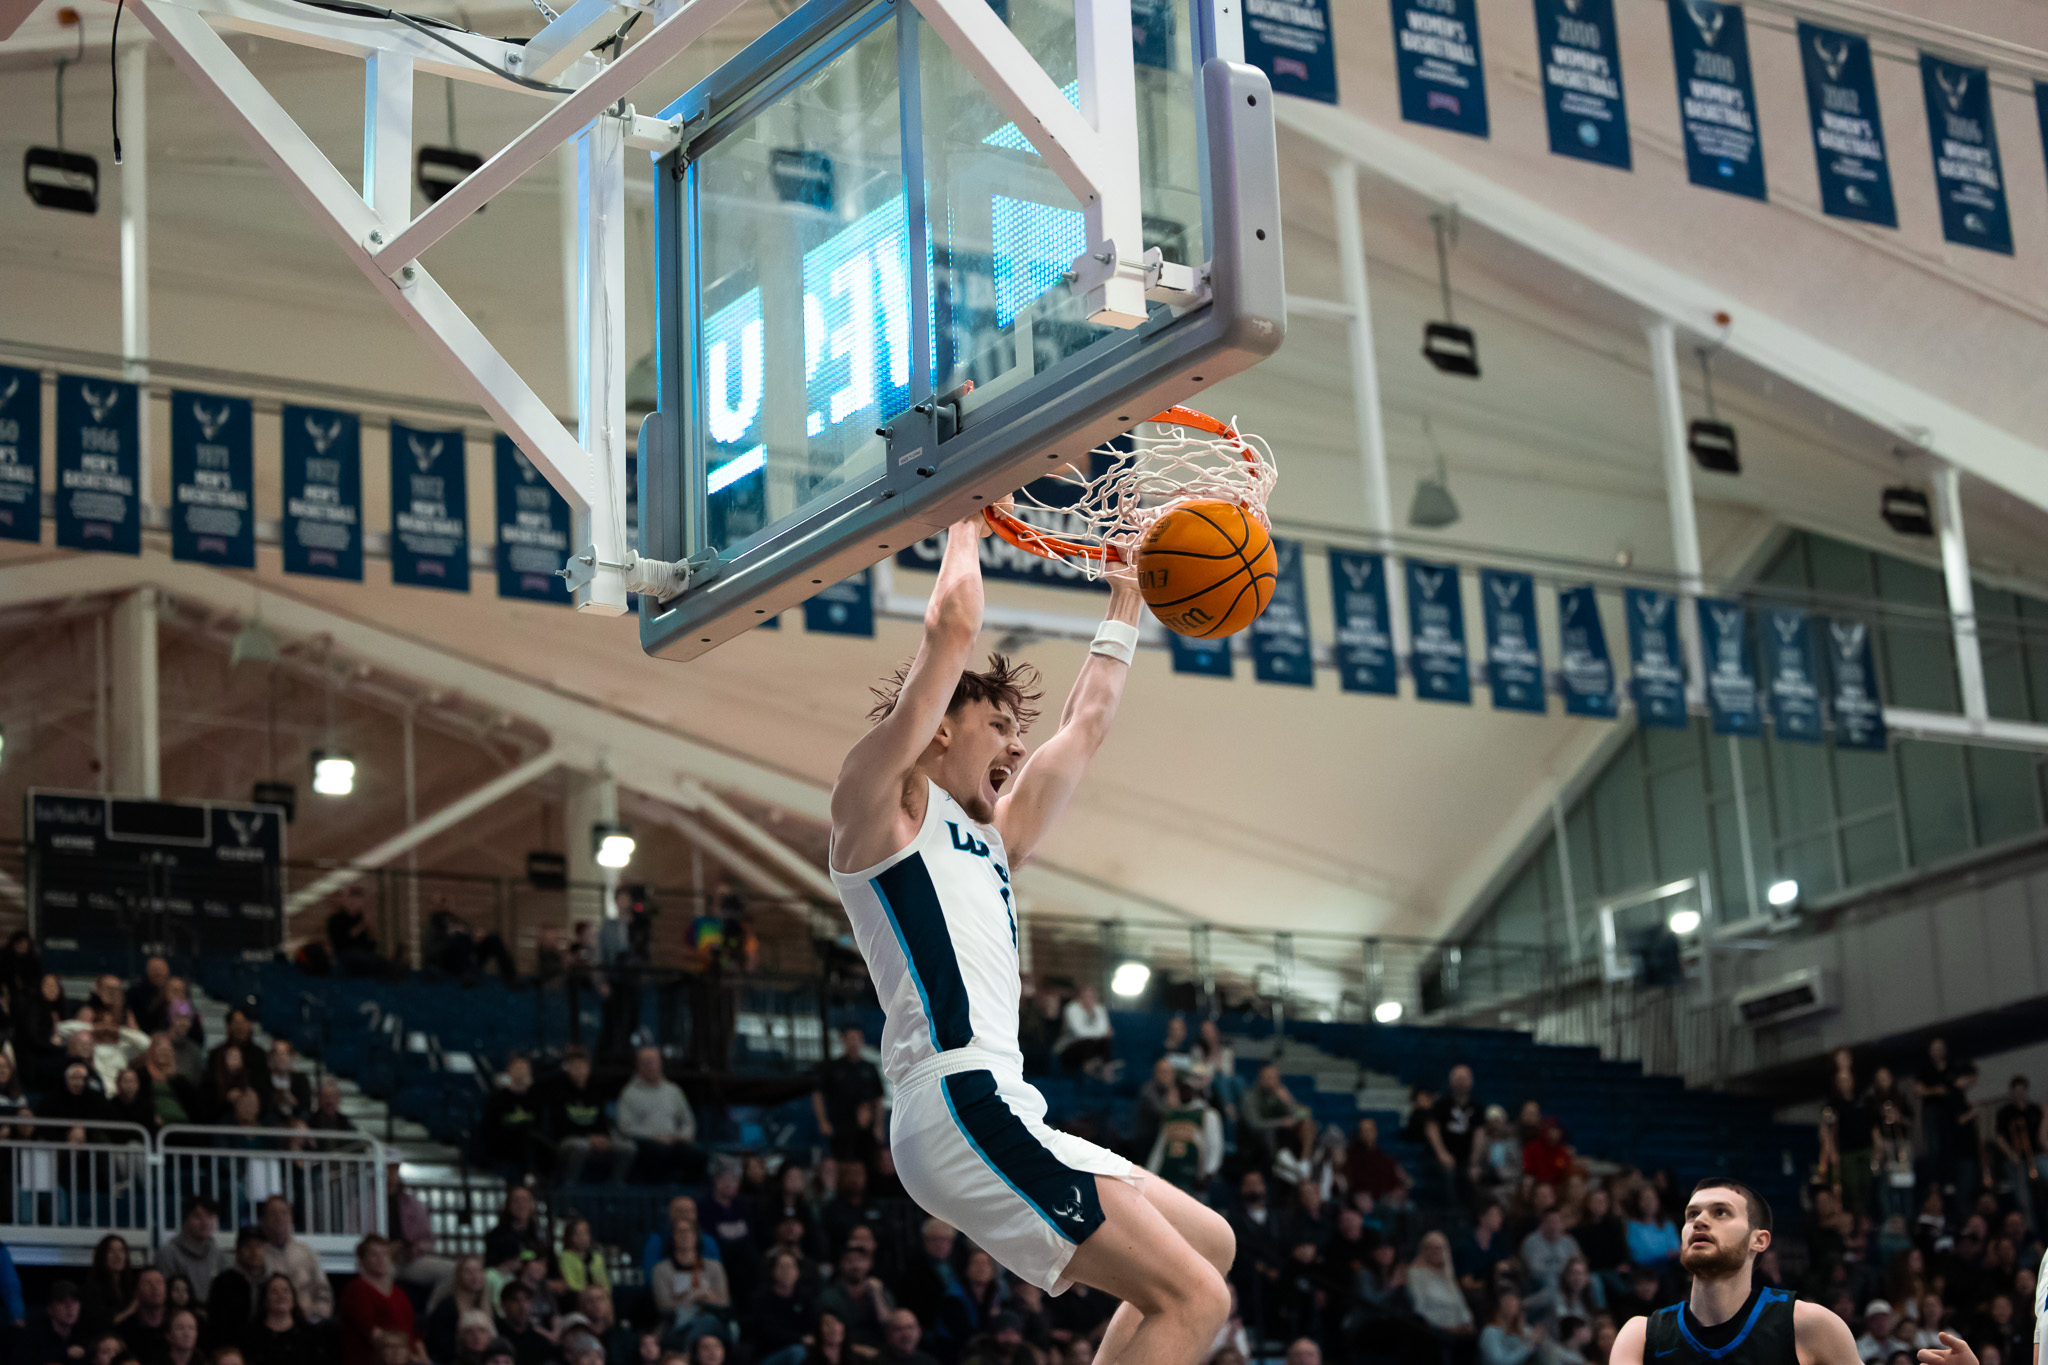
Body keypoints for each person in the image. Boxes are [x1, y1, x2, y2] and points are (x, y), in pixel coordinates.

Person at [828, 526, 1234, 1361]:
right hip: (955, 1100)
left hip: (1002, 1099)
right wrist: (967, 510)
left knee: (1211, 1247)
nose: (1018, 743)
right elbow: (950, 628)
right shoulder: (882, 809)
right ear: (941, 727)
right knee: (1197, 1298)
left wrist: (1126, 597)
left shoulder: (996, 838)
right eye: (1000, 723)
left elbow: (1086, 726)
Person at [1608, 1180, 1863, 1365]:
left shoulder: (1809, 1325)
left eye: (1721, 1212)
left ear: (1759, 1240)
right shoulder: (1640, 1337)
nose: (1699, 1221)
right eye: (1691, 1214)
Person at [550, 1048, 636, 1186]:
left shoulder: (595, 1091)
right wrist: (589, 1138)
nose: (580, 1070)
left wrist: (604, 1137)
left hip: (596, 1139)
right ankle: (569, 1184)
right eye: (575, 1067)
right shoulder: (559, 1092)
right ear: (568, 1069)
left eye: (582, 1067)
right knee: (580, 1146)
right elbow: (560, 1126)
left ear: (588, 1069)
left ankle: (615, 1185)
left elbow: (601, 1120)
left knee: (628, 1148)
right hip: (569, 1140)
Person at [616, 1048, 701, 1183]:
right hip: (646, 1144)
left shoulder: (674, 1090)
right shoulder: (629, 1092)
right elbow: (625, 1127)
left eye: (654, 1062)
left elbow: (687, 1121)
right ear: (639, 1066)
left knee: (698, 1154)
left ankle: (687, 1199)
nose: (652, 1066)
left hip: (674, 1141)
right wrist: (654, 1137)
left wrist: (681, 1137)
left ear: (660, 1064)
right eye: (647, 1063)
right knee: (657, 1152)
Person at [338, 1237, 417, 1365]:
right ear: (363, 1260)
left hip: (406, 1357)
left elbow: (413, 1331)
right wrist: (405, 1355)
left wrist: (422, 1357)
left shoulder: (399, 1293)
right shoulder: (356, 1290)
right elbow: (371, 1331)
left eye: (384, 1254)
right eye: (374, 1254)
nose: (381, 1259)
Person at [814, 1030, 886, 1164]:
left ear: (862, 1041)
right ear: (844, 1041)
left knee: (868, 1162)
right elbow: (818, 1095)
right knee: (843, 1162)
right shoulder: (833, 1067)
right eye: (850, 1038)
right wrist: (822, 1121)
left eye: (857, 1038)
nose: (853, 1042)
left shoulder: (869, 1068)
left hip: (866, 1126)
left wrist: (878, 1126)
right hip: (840, 1125)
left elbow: (878, 1098)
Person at [650, 1232, 730, 1349]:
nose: (685, 1237)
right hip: (678, 1322)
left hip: (711, 1318)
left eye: (689, 1233)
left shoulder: (713, 1267)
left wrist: (704, 1298)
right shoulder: (661, 1269)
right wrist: (690, 1297)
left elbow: (723, 1303)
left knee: (708, 1321)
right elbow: (664, 1306)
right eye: (680, 1233)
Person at [258, 1197, 331, 1323]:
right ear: (264, 1220)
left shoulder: (307, 1253)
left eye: (284, 1212)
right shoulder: (259, 1255)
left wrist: (317, 1317)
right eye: (273, 1213)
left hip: (308, 1323)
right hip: (271, 1326)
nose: (279, 1217)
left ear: (291, 1218)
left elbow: (323, 1291)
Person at [479, 1056, 547, 1181]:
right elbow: (488, 1130)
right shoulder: (497, 1099)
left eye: (524, 1068)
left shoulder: (537, 1099)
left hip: (531, 1154)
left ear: (530, 1072)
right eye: (517, 1067)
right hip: (504, 1153)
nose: (520, 1071)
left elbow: (542, 1128)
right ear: (509, 1071)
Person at [1425, 1065, 1481, 1208]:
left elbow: (1479, 1133)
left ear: (1471, 1081)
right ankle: (1454, 1215)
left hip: (1465, 1158)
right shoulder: (1441, 1104)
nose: (1462, 1082)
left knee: (1475, 1176)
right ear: (1452, 1082)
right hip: (1442, 1156)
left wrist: (1474, 1161)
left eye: (1465, 1078)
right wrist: (1442, 1153)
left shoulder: (1477, 1106)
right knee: (1448, 1175)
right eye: (1459, 1078)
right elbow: (1431, 1128)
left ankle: (1472, 1219)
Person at [206, 1227, 271, 1351]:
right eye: (248, 1247)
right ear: (238, 1251)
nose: (254, 1252)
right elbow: (217, 1326)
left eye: (259, 1246)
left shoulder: (272, 1283)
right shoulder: (224, 1282)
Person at [1405, 1231, 1474, 1344]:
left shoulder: (1447, 1274)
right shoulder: (1415, 1274)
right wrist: (1443, 1328)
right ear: (1423, 1250)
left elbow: (1460, 1305)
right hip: (1433, 1334)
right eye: (1430, 1248)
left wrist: (1467, 1323)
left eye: (1438, 1248)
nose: (1434, 1252)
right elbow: (1418, 1309)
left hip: (1458, 1333)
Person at [158, 1199, 224, 1302]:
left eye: (210, 1216)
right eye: (197, 1216)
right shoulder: (168, 1253)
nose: (205, 1221)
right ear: (185, 1220)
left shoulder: (218, 1254)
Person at [242, 1278, 312, 1365]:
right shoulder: (252, 1335)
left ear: (293, 1299)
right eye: (274, 1291)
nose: (281, 1295)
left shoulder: (308, 1334)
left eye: (286, 1291)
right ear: (265, 1300)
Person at [19, 1279, 89, 1365]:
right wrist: (65, 1353)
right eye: (62, 1302)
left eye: (74, 1301)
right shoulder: (34, 1334)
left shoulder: (83, 1332)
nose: (70, 1307)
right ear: (50, 1309)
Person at [1055, 986, 1114, 1079]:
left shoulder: (1099, 1009)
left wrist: (1101, 1033)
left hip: (1093, 1046)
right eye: (1086, 996)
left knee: (1104, 1043)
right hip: (1070, 1048)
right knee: (1088, 1043)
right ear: (1079, 997)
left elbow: (1104, 1029)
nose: (1089, 999)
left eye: (1092, 996)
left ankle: (1106, 1073)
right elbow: (1080, 1033)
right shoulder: (1071, 1008)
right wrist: (1101, 1033)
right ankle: (1089, 1072)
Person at [327, 885, 386, 977]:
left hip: (363, 956)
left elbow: (370, 945)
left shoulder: (360, 918)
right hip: (345, 955)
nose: (354, 903)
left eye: (358, 901)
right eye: (352, 900)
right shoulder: (337, 919)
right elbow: (344, 940)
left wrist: (370, 929)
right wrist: (362, 925)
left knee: (375, 960)